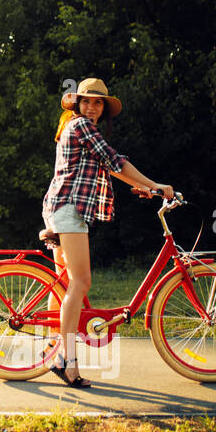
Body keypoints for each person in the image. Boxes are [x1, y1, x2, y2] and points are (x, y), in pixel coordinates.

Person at [42, 78, 173, 388]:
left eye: (97, 103)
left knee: (63, 284)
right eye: (86, 101)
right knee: (80, 282)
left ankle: (52, 348)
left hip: (59, 207)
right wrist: (155, 185)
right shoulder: (81, 127)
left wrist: (142, 186)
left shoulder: (78, 129)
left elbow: (110, 168)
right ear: (77, 104)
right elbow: (116, 161)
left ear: (103, 109)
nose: (91, 107)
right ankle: (66, 361)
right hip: (68, 210)